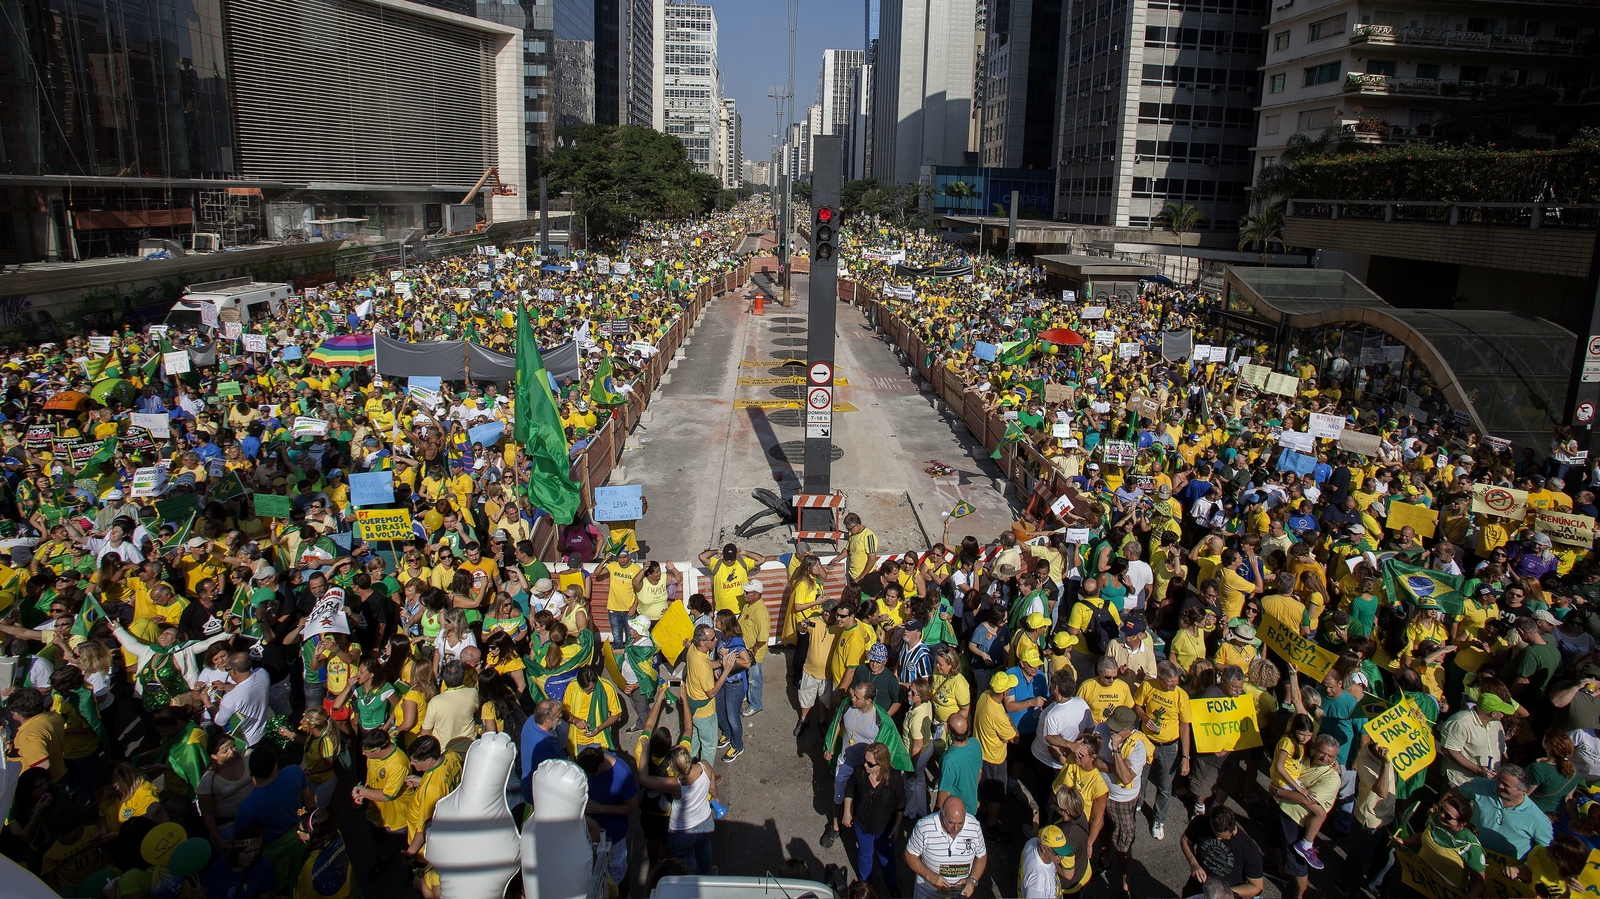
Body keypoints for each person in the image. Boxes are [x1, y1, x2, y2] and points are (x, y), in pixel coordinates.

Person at [1269, 735, 1341, 898]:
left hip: (1295, 818)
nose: (1325, 758)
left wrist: (1278, 791)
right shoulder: (1305, 757)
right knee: (1274, 840)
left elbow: (1307, 800)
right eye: (1322, 752)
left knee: (1295, 860)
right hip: (1278, 805)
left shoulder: (1332, 778)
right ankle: (1282, 872)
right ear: (1315, 748)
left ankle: (1300, 895)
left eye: (1331, 756)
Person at [635, 743, 718, 874]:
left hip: (682, 832)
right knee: (705, 856)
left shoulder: (675, 784)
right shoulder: (705, 766)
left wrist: (645, 748)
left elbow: (644, 779)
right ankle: (708, 877)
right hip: (706, 824)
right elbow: (713, 790)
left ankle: (691, 884)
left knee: (687, 869)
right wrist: (715, 797)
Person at [843, 742, 906, 895]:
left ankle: (891, 884)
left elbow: (900, 804)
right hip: (863, 823)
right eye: (865, 760)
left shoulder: (894, 778)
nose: (865, 765)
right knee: (865, 854)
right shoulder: (859, 772)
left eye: (870, 764)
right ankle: (865, 886)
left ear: (881, 764)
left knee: (886, 856)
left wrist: (897, 827)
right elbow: (849, 789)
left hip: (884, 826)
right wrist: (847, 812)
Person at [1453, 764, 1554, 859]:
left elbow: (1547, 852)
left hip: (1506, 868)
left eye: (1506, 785)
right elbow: (1454, 794)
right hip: (1470, 855)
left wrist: (1522, 868)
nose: (1500, 786)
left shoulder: (1538, 819)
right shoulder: (1481, 785)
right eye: (1499, 780)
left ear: (1522, 790)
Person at [577, 746, 640, 893]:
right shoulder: (588, 760)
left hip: (614, 837)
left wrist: (601, 808)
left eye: (590, 776)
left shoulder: (623, 775)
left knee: (618, 875)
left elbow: (632, 807)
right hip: (589, 833)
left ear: (600, 766)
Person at [905, 797, 987, 899]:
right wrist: (930, 876)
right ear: (942, 815)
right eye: (951, 822)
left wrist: (972, 880)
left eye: (960, 823)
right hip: (928, 894)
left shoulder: (974, 826)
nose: (955, 828)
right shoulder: (924, 827)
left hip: (961, 895)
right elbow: (909, 855)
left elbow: (981, 856)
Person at [1180, 808, 1265, 899]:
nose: (1218, 839)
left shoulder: (1249, 850)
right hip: (1197, 888)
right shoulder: (1201, 822)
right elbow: (1185, 840)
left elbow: (1256, 887)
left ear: (1233, 827)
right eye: (1216, 834)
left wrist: (1225, 894)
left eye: (1224, 838)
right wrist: (1194, 864)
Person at [1018, 824, 1078, 899]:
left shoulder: (1032, 842)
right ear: (1043, 848)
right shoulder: (1038, 883)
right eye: (1057, 853)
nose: (1062, 857)